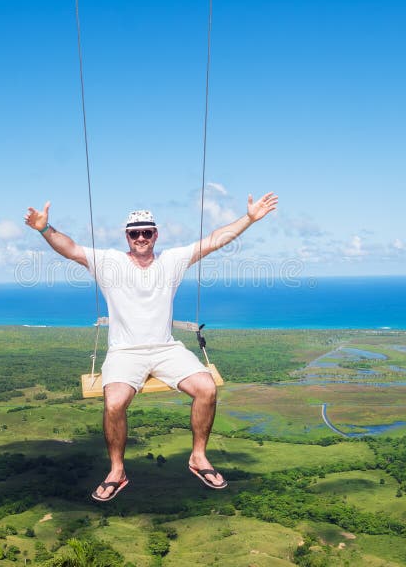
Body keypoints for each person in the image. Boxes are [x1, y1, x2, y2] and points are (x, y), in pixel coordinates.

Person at [25, 192, 278, 501]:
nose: (141, 238)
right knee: (114, 403)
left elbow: (213, 241)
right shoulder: (109, 262)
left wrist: (249, 219)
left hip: (166, 348)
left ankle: (198, 457)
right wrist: (44, 228)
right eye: (135, 233)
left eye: (147, 232)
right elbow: (71, 249)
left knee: (207, 389)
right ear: (127, 237)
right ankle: (117, 471)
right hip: (124, 351)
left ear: (156, 234)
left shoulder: (171, 261)